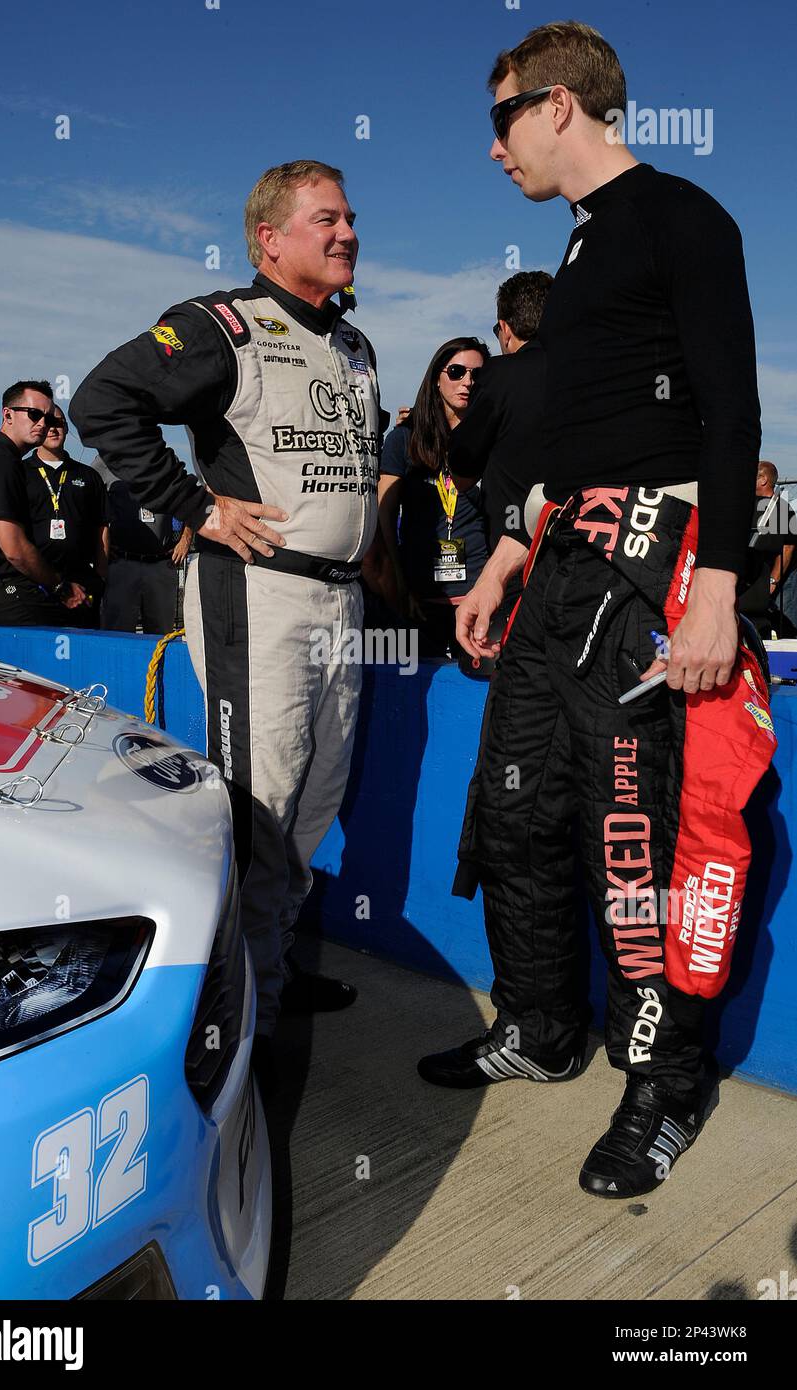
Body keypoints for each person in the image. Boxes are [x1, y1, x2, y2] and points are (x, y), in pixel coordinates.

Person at [418, 22, 776, 1200]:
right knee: (516, 812)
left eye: (499, 116)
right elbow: (564, 444)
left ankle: (663, 1086)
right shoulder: (569, 258)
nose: (491, 148)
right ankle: (538, 1027)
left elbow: (732, 412)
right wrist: (503, 557)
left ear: (559, 103)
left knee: (637, 850)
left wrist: (719, 584)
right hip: (558, 572)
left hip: (654, 581)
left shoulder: (683, 214)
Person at [70, 160, 387, 1048]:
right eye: (325, 219)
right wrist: (195, 506)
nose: (347, 233)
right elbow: (104, 400)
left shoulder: (354, 346)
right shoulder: (224, 326)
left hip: (342, 605)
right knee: (256, 809)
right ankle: (234, 1018)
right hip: (261, 596)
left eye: (351, 218)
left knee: (313, 805)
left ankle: (269, 968)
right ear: (269, 240)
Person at [448, 271, 552, 659]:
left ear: (505, 329)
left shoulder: (501, 376)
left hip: (514, 566)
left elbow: (462, 467)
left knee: (513, 683)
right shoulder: (590, 373)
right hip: (592, 559)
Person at [378, 338, 490, 659]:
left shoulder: (495, 441)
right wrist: (397, 586)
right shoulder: (403, 439)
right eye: (457, 371)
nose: (468, 381)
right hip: (417, 601)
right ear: (436, 379)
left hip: (479, 604)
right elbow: (385, 518)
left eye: (477, 375)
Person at [0, 382, 86, 625]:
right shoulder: (1, 460)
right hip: (13, 598)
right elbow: (15, 550)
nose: (43, 424)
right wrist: (60, 586)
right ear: (8, 414)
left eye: (48, 417)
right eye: (34, 414)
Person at [23, 406, 108, 627]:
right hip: (35, 581)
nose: (53, 429)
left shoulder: (88, 476)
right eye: (47, 423)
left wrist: (100, 577)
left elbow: (102, 527)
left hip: (81, 581)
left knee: (82, 651)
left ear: (67, 428)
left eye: (58, 423)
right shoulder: (20, 472)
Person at [92, 456, 191, 634]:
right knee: (118, 636)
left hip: (162, 566)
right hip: (122, 565)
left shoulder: (166, 458)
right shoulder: (105, 460)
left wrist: (185, 540)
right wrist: (101, 548)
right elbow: (87, 503)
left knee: (161, 636)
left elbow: (190, 498)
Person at [738, 461, 797, 637]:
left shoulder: (781, 509)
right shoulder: (747, 506)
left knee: (785, 626)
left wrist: (774, 579)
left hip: (780, 583)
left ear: (763, 479)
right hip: (753, 583)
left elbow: (788, 546)